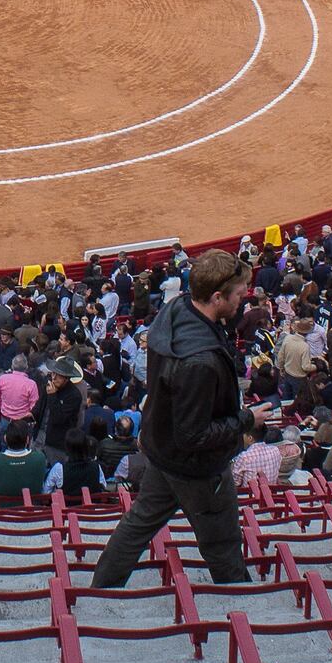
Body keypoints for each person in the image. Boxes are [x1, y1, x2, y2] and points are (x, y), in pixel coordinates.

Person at [91, 249, 251, 588]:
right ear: (217, 297)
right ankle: (240, 599)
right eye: (238, 294)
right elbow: (194, 435)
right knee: (222, 543)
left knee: (137, 525)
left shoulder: (177, 308)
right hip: (198, 468)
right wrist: (245, 420)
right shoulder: (200, 362)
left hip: (163, 452)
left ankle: (100, 589)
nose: (243, 299)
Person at [0, 421, 49, 498]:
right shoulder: (39, 459)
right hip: (32, 505)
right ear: (27, 439)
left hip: (0, 505)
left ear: (5, 438)